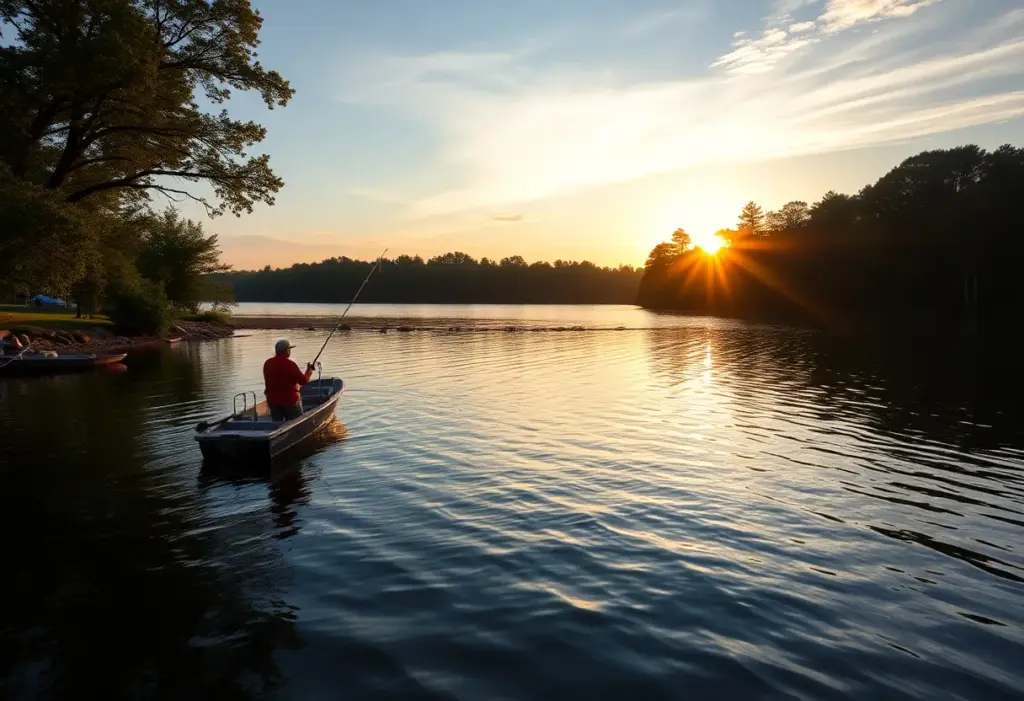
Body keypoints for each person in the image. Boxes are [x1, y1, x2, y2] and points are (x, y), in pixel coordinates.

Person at [263, 338, 314, 421]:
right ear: (286, 350)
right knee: (296, 422)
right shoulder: (290, 364)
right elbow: (303, 381)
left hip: (272, 401)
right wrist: (309, 371)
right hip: (290, 401)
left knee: (276, 424)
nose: (290, 351)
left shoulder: (267, 363)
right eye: (289, 349)